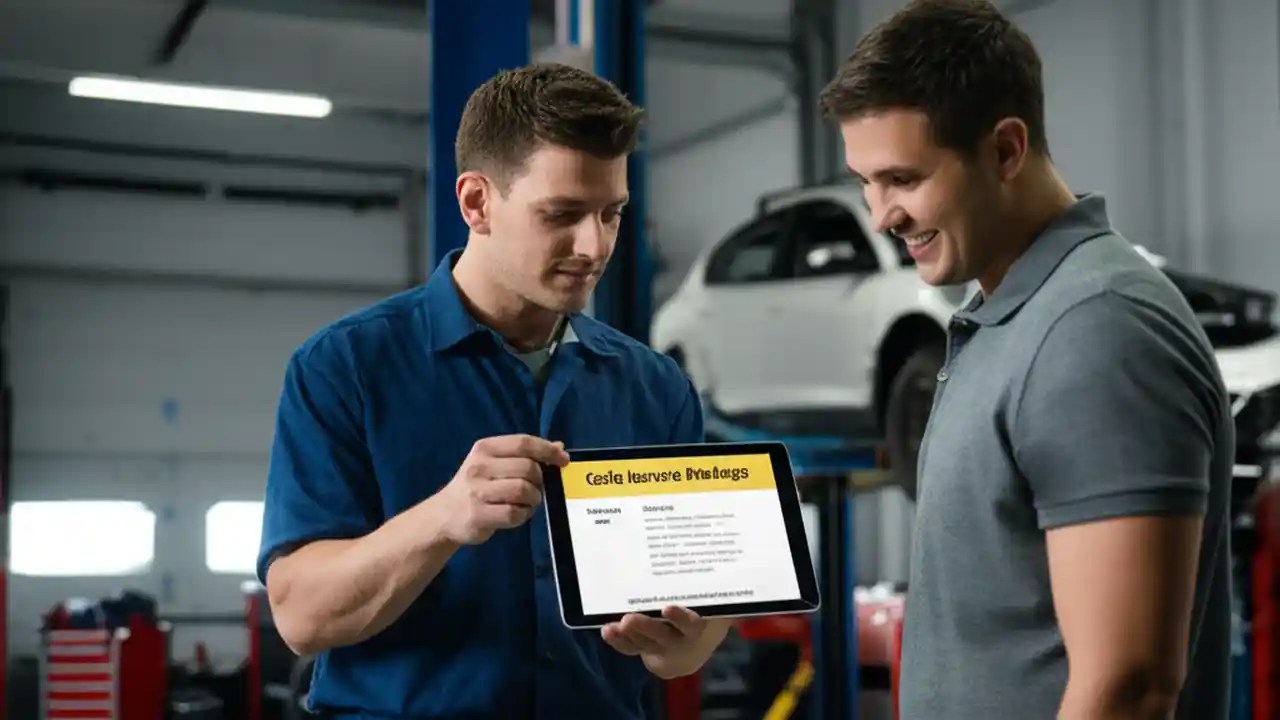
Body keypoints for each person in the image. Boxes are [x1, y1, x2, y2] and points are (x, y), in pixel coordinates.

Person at [256, 63, 731, 719]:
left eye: (611, 213)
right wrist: (443, 519)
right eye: (560, 214)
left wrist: (683, 640)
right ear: (476, 203)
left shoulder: (654, 387)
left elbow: (688, 642)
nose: (593, 245)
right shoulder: (344, 368)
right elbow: (301, 616)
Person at [819, 1, 1233, 718]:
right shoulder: (1007, 316)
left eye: (903, 179)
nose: (880, 215)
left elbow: (1127, 688)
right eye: (866, 183)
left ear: (1006, 150)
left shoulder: (1096, 329)